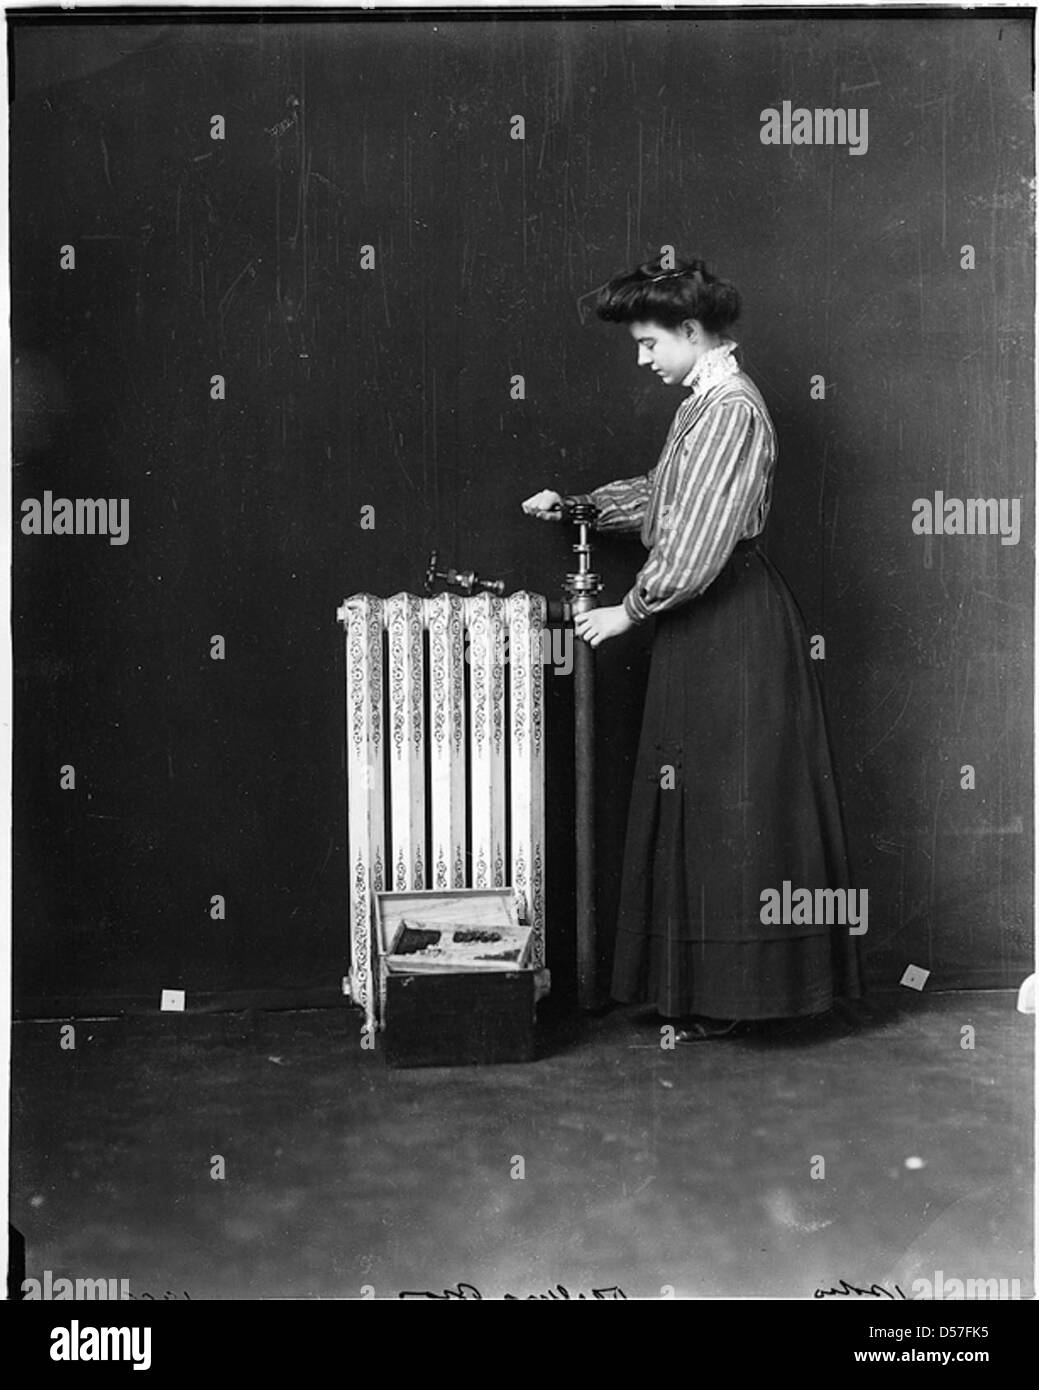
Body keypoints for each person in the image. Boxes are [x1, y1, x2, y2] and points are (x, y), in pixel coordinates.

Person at [522, 256, 861, 1040]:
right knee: (705, 801)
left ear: (689, 331)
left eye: (648, 344)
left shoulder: (731, 409)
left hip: (731, 622)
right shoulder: (705, 404)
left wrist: (628, 610)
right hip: (705, 622)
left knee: (734, 804)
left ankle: (748, 995)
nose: (642, 360)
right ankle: (710, 992)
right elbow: (661, 493)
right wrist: (576, 506)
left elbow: (701, 538)